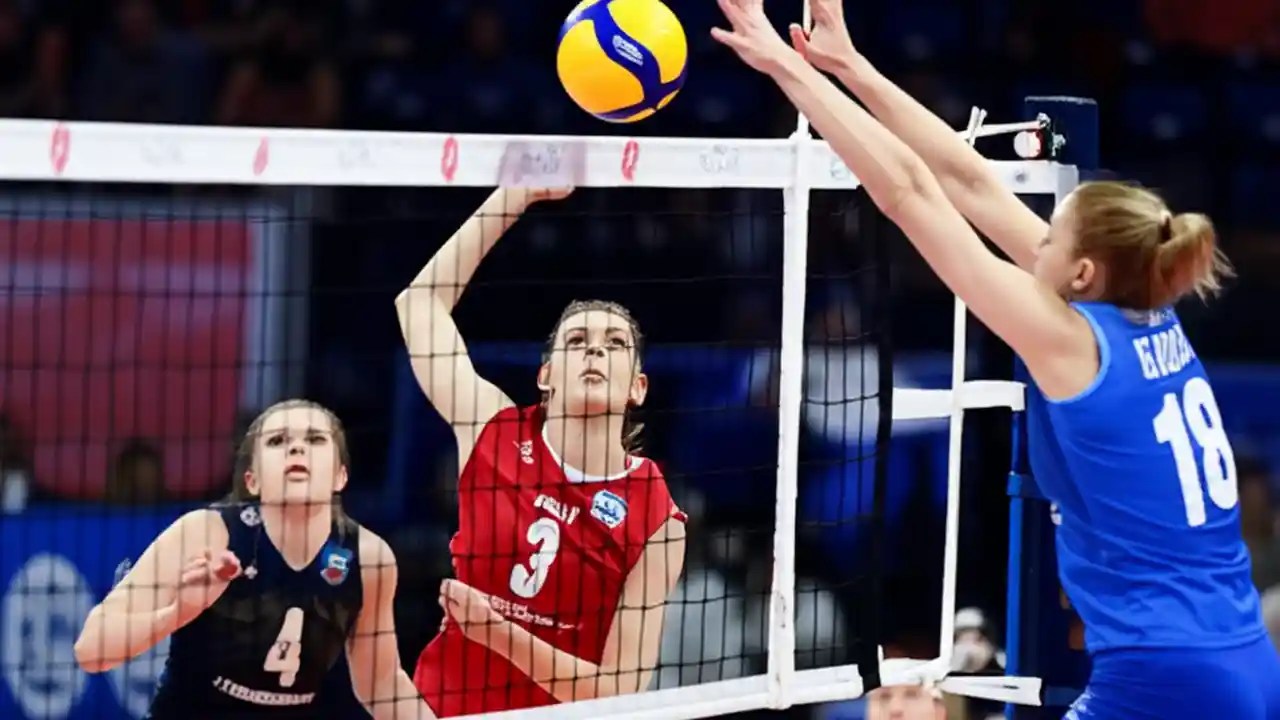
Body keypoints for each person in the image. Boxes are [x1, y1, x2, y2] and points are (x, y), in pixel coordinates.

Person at [711, 0, 1280, 718]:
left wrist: (785, 69)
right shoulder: (1147, 306)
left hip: (1164, 675)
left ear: (1080, 275)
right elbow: (973, 182)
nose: (1036, 240)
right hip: (1246, 658)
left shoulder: (1070, 339)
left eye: (1050, 239)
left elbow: (910, 192)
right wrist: (851, 66)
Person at [398, 187, 687, 716]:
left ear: (637, 388)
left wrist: (498, 633)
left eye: (615, 343)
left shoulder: (658, 519)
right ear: (546, 376)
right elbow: (419, 303)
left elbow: (618, 692)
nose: (595, 349)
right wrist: (514, 196)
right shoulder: (491, 427)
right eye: (576, 341)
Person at [74, 399, 433, 720]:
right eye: (278, 441)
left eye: (315, 440)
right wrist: (176, 614)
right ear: (253, 480)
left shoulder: (369, 558)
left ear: (341, 476)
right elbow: (90, 648)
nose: (296, 447)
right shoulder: (206, 534)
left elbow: (382, 686)